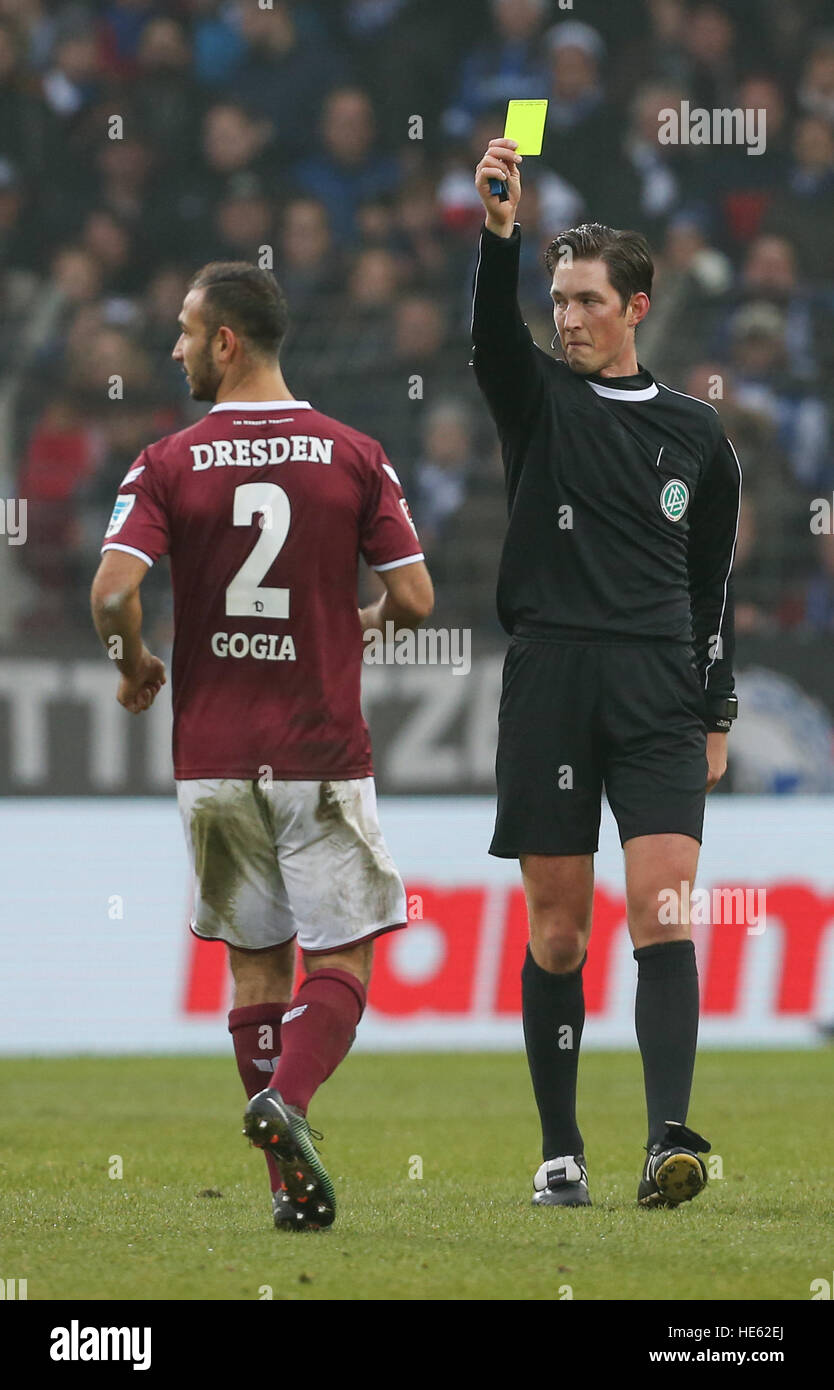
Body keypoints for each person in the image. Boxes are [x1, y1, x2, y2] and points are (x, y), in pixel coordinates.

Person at [90, 261, 433, 1231]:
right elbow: (414, 598)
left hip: (211, 757)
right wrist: (363, 620)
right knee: (348, 956)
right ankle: (293, 1102)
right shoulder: (356, 455)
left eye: (186, 330)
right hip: (319, 750)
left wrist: (134, 662)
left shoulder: (165, 461)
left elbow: (111, 591)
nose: (175, 347)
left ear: (226, 341)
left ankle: (291, 1193)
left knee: (254, 969)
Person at [471, 138, 741, 1209]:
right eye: (558, 297)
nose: (567, 317)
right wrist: (500, 238)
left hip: (660, 687)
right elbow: (492, 337)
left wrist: (716, 703)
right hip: (553, 676)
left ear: (637, 307)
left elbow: (710, 588)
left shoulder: (697, 436)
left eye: (587, 299)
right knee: (559, 929)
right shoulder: (537, 399)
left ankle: (669, 1136)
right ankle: (559, 1151)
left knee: (665, 908)